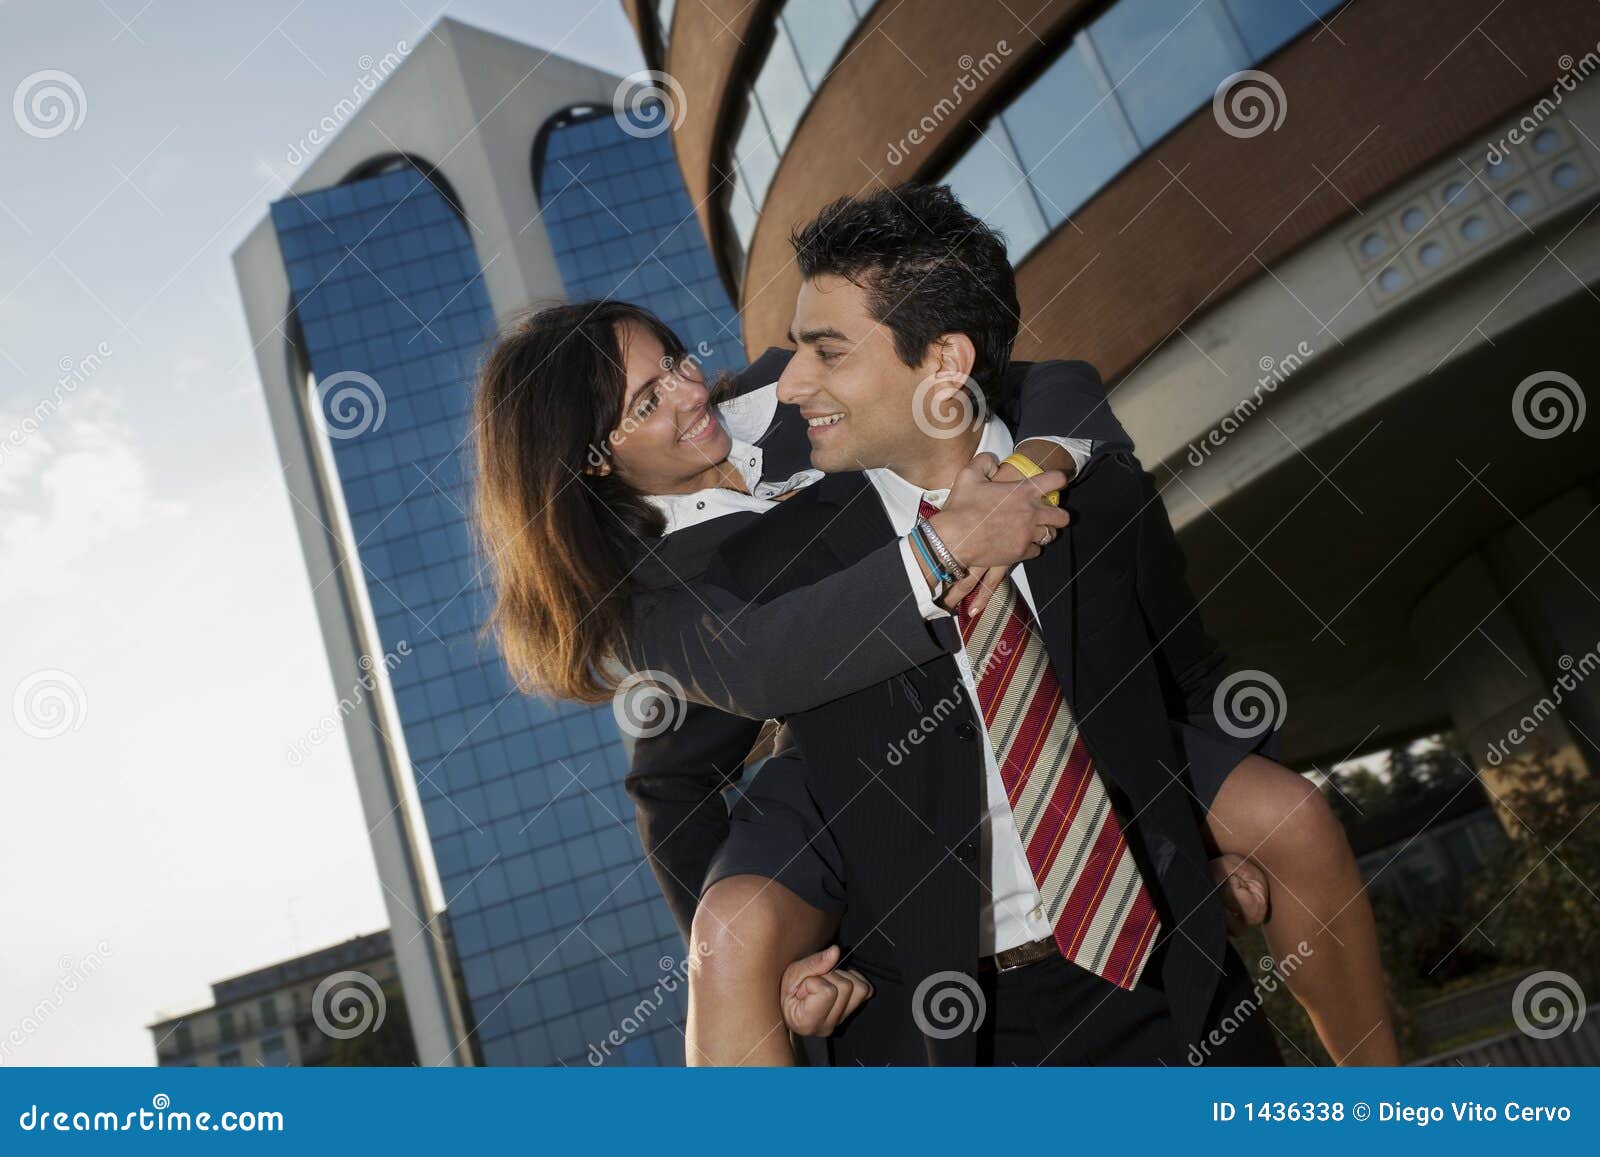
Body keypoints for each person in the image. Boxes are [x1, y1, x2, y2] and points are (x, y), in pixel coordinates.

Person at [616, 185, 1397, 1065]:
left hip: (1165, 986)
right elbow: (691, 760)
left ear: (943, 360)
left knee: (1291, 815)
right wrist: (780, 958)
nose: (785, 381)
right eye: (643, 401)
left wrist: (1201, 842)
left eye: (824, 350)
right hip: (950, 1032)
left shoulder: (1093, 490)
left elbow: (1188, 674)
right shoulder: (779, 573)